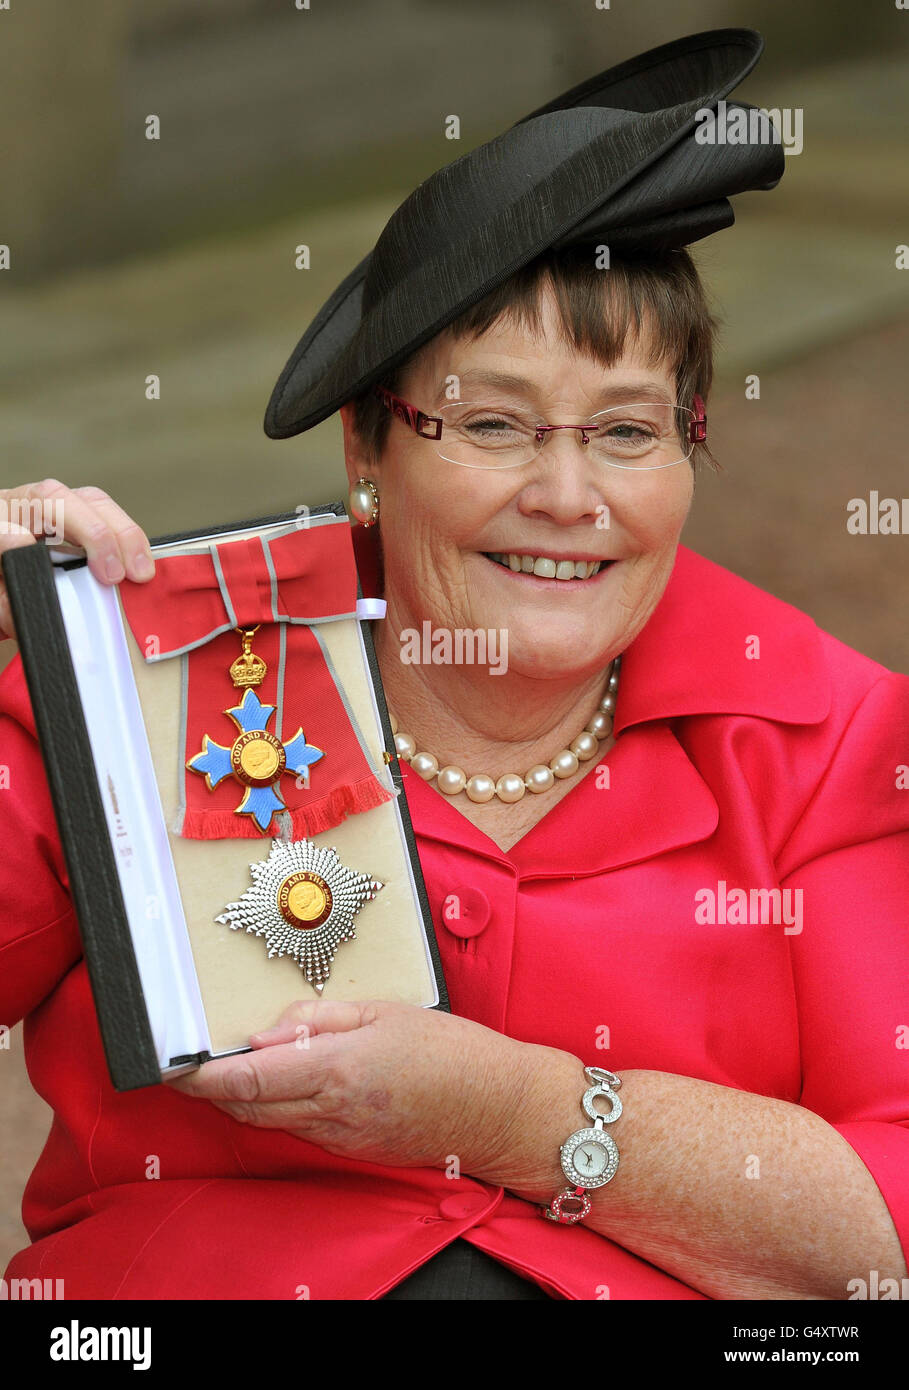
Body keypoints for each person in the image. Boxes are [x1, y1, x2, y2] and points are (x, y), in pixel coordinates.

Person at [1, 29, 907, 1302]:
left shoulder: (828, 736)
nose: (568, 493)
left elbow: (887, 1229)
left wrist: (517, 1109)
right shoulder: (157, 671)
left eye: (630, 432)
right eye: (492, 423)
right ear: (368, 448)